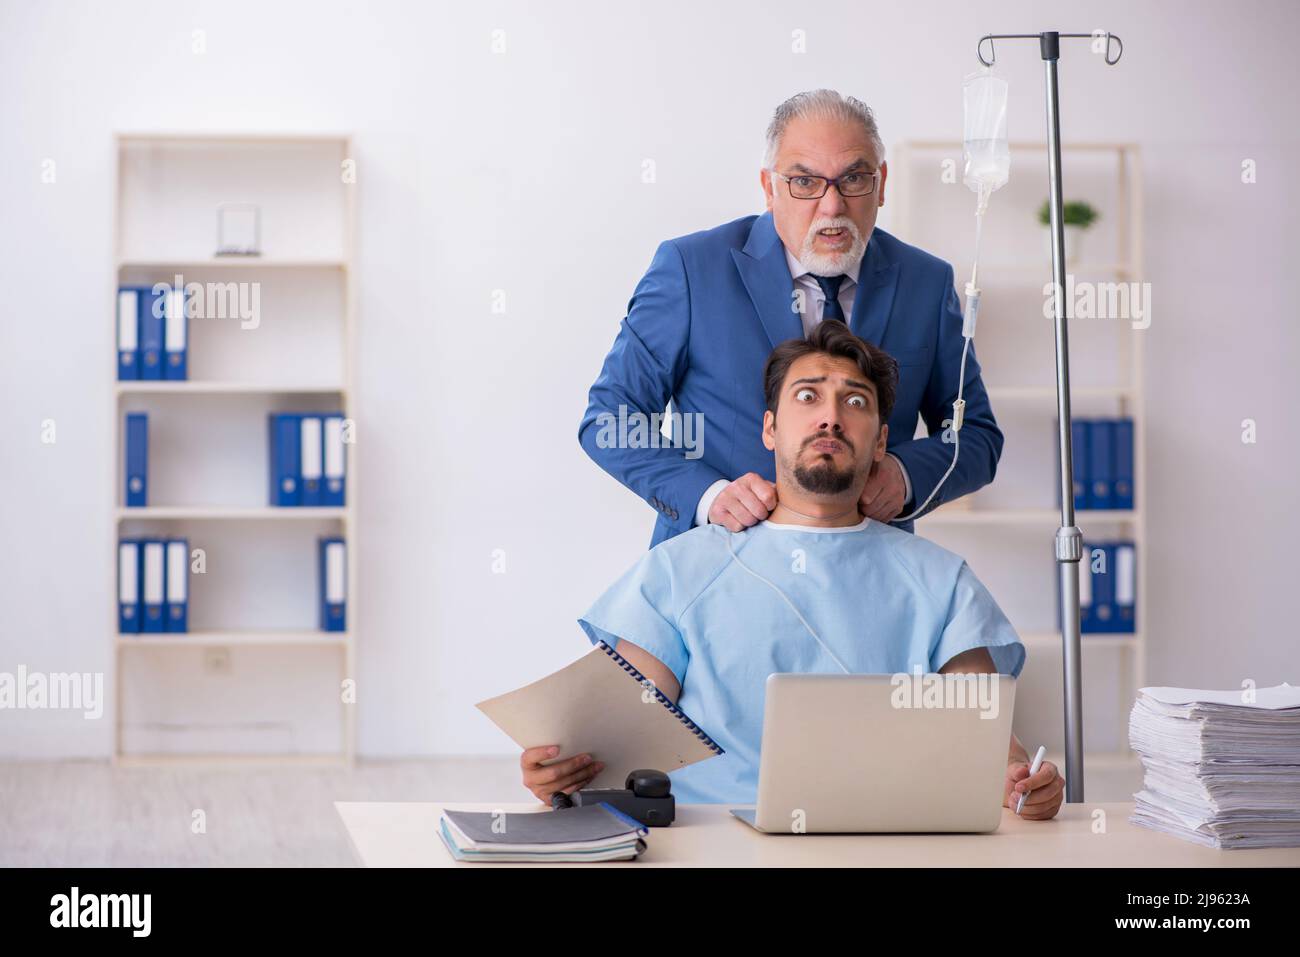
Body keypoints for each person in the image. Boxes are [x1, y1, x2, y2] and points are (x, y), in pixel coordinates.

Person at [526, 321, 1064, 820]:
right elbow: (609, 744)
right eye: (807, 397)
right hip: (713, 847)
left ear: (880, 441)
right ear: (770, 428)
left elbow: (990, 750)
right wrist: (557, 770)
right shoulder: (680, 570)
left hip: (889, 844)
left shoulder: (942, 583)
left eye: (854, 401)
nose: (829, 416)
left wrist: (1025, 784)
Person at [580, 89, 1003, 548]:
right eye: (804, 182)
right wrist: (707, 496)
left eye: (854, 179)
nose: (832, 206)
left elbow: (975, 436)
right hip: (715, 565)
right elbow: (611, 419)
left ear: (881, 183)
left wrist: (904, 476)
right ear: (769, 187)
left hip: (869, 573)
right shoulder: (691, 267)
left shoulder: (927, 281)